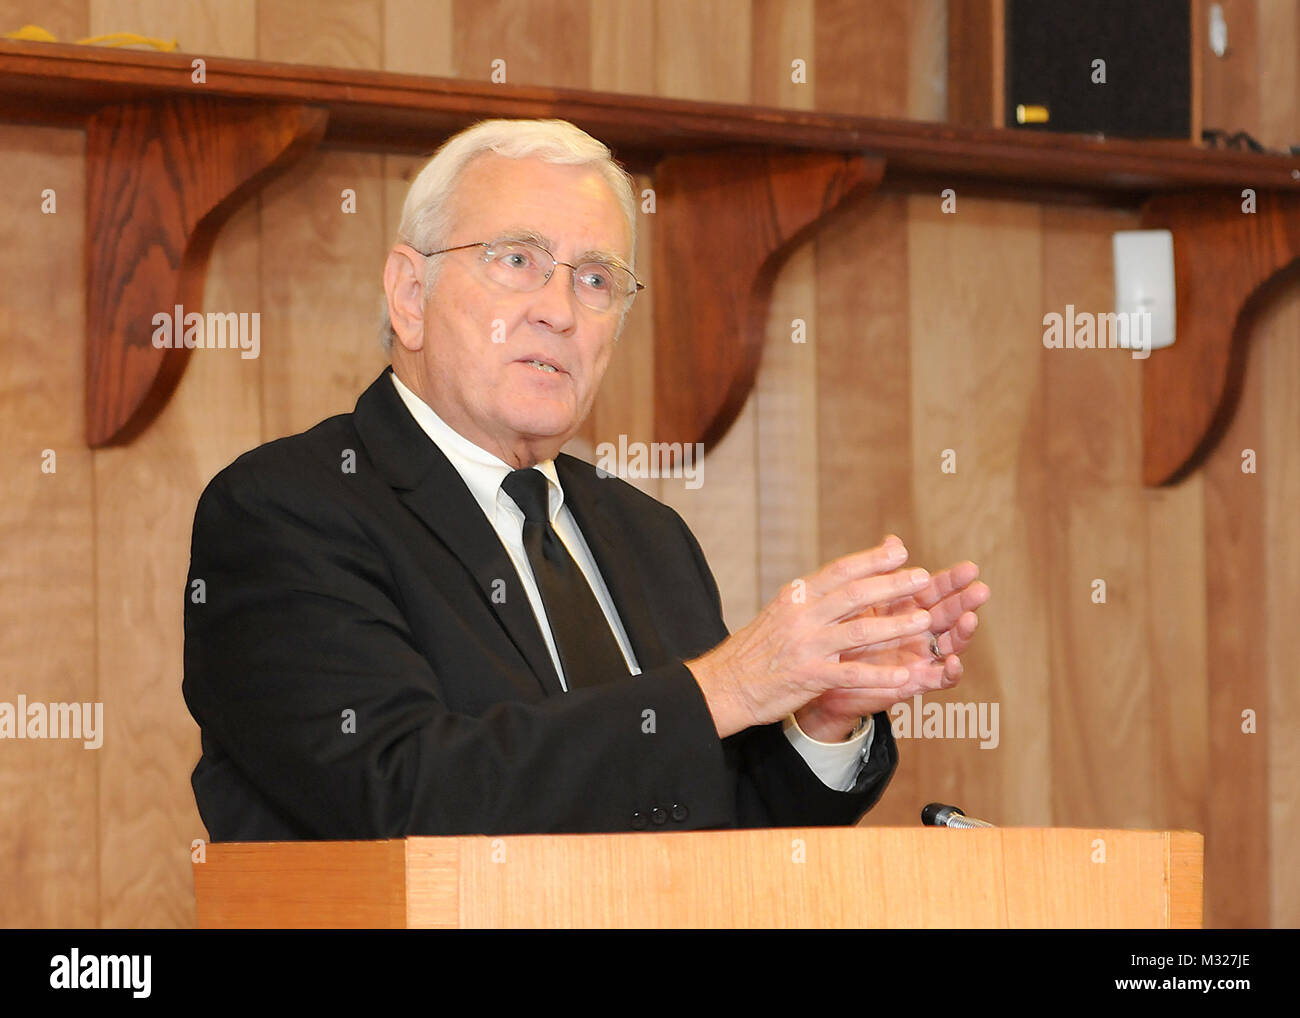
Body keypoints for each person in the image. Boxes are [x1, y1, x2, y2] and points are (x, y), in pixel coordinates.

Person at [182, 118, 990, 841]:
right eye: (518, 260)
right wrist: (725, 687)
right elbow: (401, 794)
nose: (560, 310)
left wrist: (819, 719)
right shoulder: (284, 511)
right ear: (410, 292)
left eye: (596, 279)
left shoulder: (646, 536)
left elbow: (716, 827)